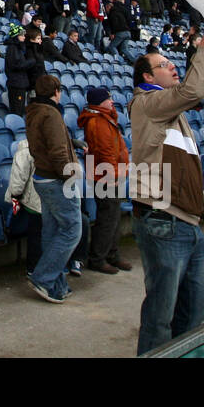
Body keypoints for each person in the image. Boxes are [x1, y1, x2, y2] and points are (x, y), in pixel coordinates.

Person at [128, 25, 204, 354]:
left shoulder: (176, 119)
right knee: (161, 316)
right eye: (163, 64)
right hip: (163, 222)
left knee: (193, 313)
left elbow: (179, 179)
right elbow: (192, 91)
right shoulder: (147, 103)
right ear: (148, 78)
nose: (172, 65)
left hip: (188, 223)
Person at [24, 74, 80, 303]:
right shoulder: (51, 114)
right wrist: (69, 176)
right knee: (72, 229)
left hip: (41, 178)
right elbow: (58, 152)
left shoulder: (34, 111)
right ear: (56, 91)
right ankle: (43, 278)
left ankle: (57, 286)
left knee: (52, 230)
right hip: (56, 179)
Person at [79, 87, 131, 274]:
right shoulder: (97, 122)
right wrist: (113, 176)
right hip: (106, 177)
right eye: (108, 99)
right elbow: (104, 152)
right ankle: (98, 258)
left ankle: (111, 254)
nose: (111, 102)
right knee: (107, 218)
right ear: (100, 102)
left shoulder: (105, 118)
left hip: (109, 174)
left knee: (113, 217)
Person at [5, 24, 44, 115]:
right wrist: (31, 61)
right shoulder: (13, 49)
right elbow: (16, 65)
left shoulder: (17, 48)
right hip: (16, 84)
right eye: (21, 35)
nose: (24, 37)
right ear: (16, 36)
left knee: (20, 110)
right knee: (17, 111)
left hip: (20, 83)